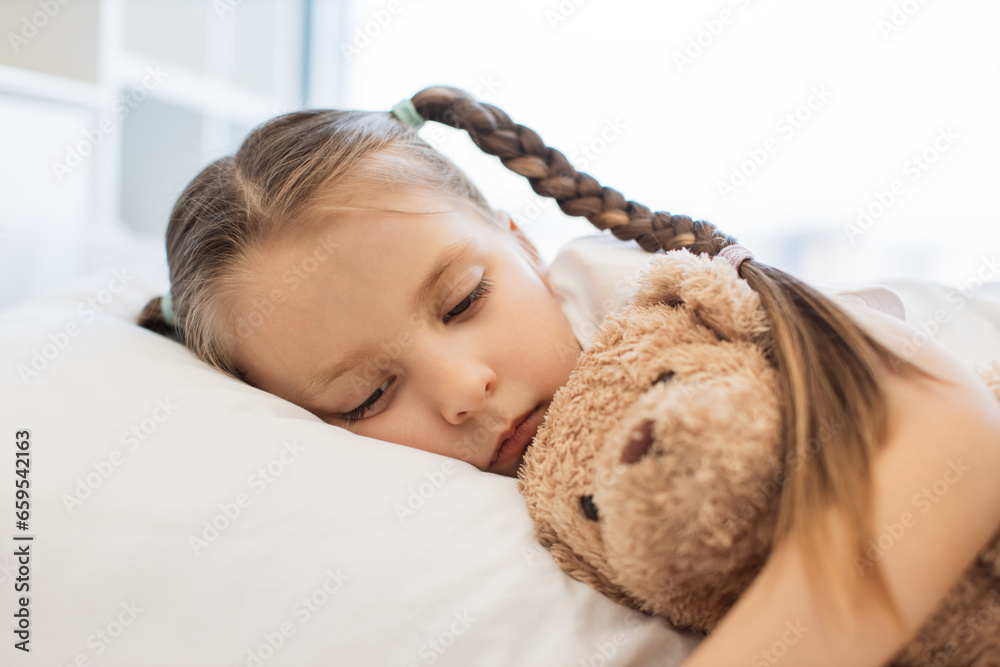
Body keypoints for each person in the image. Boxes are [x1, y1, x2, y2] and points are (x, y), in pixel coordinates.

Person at [138, 85, 1000, 665]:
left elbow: (952, 427)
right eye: (368, 396)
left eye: (464, 300)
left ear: (522, 245)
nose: (464, 386)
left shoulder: (639, 293)